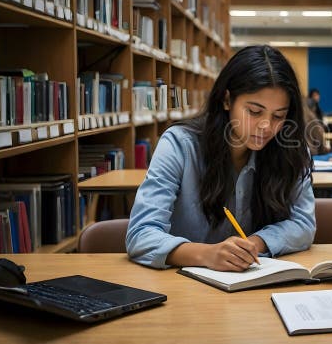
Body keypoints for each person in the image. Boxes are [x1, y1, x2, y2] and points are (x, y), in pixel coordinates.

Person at [126, 45, 316, 271]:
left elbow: (303, 224)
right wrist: (206, 254)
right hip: (183, 290)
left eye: (279, 116)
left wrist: (254, 245)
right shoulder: (179, 145)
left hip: (257, 288)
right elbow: (141, 234)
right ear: (227, 100)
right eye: (254, 112)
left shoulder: (290, 150)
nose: (266, 126)